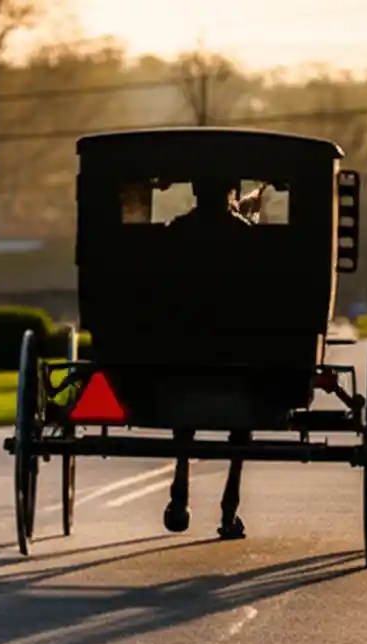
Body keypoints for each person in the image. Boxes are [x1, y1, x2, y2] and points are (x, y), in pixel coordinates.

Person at [161, 174, 253, 540]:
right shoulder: (247, 238)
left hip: (182, 346)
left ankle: (179, 489)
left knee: (182, 409)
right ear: (232, 191)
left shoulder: (175, 234)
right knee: (241, 425)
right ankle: (230, 507)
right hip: (238, 351)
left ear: (196, 191)